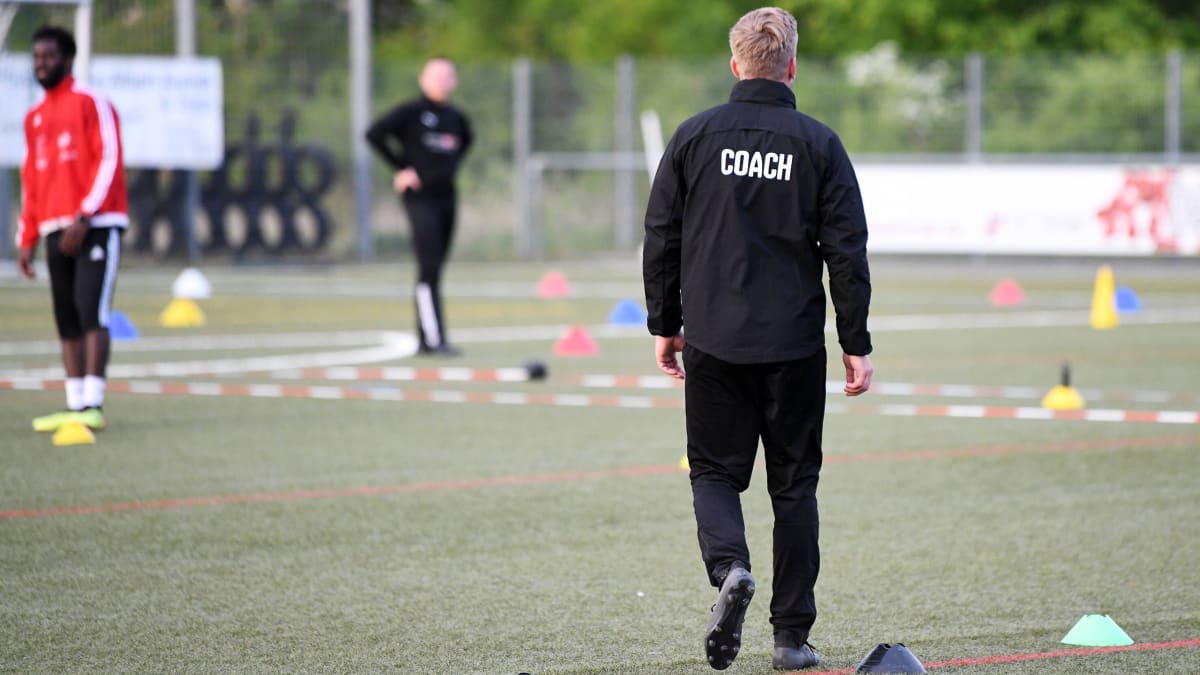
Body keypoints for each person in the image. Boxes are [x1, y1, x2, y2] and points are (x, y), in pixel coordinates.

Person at [642, 7, 873, 671]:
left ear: (735, 63)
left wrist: (665, 323)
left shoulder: (694, 136)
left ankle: (731, 569)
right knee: (794, 487)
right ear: (791, 66)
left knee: (714, 473)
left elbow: (662, 235)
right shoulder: (819, 143)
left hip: (714, 339)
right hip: (795, 344)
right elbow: (846, 249)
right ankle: (791, 638)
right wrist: (855, 338)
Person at [18, 25, 128, 433]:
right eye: (36, 57)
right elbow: (32, 181)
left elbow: (110, 157)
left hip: (96, 225)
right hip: (53, 227)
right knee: (65, 315)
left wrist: (86, 214)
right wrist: (26, 237)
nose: (40, 64)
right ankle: (74, 401)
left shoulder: (91, 102)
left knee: (90, 309)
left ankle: (93, 403)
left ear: (67, 59)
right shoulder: (34, 118)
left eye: (47, 57)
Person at [366, 58, 473, 356]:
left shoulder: (455, 118)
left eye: (447, 76)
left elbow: (466, 142)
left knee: (437, 267)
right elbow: (374, 134)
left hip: (447, 198)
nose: (442, 81)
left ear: (455, 82)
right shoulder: (411, 113)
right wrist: (402, 168)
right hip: (420, 200)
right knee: (429, 268)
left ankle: (431, 335)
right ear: (423, 79)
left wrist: (445, 170)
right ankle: (432, 339)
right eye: (436, 76)